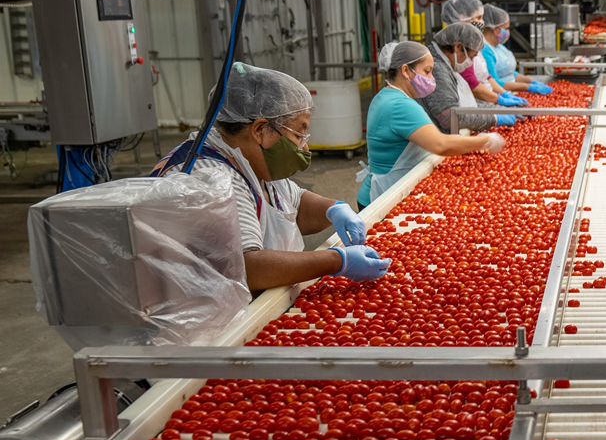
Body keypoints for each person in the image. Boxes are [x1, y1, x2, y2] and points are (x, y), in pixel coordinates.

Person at [151, 63, 388, 291]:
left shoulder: (245, 156)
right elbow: (249, 267)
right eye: (299, 135)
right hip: (196, 310)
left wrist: (333, 209)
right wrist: (336, 261)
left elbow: (293, 205)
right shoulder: (213, 178)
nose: (305, 148)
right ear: (260, 130)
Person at [357, 40, 506, 210]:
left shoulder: (384, 96)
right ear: (405, 70)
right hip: (384, 197)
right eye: (427, 72)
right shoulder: (401, 105)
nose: (431, 78)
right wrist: (485, 141)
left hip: (386, 190)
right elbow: (440, 144)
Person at [420, 23, 517, 137]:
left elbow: (463, 105)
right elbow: (450, 117)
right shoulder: (436, 69)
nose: (470, 63)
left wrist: (496, 110)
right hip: (429, 142)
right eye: (471, 57)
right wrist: (494, 118)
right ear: (458, 47)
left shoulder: (445, 65)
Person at [441, 0, 528, 108]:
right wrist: (499, 99)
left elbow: (486, 76)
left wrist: (504, 93)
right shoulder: (459, 46)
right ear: (463, 18)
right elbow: (471, 82)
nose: (482, 22)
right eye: (479, 18)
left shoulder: (471, 42)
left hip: (484, 103)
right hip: (473, 106)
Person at [480, 4, 554, 95]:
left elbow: (509, 73)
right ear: (496, 29)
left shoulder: (499, 46)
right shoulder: (484, 50)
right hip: (499, 95)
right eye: (506, 28)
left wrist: (532, 81)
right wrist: (527, 87)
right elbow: (494, 83)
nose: (508, 32)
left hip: (510, 92)